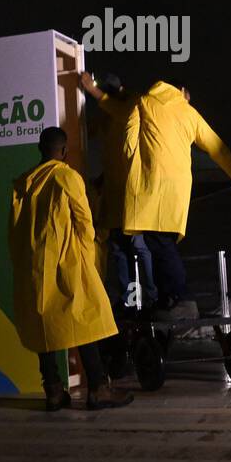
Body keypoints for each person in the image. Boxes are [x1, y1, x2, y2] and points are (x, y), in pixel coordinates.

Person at [8, 126, 133, 411]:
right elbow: (84, 221)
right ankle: (99, 389)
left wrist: (22, 264)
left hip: (34, 267)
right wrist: (89, 257)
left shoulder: (24, 183)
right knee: (85, 322)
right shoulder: (67, 176)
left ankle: (52, 390)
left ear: (40, 148)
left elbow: (14, 231)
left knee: (45, 326)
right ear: (64, 151)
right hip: (68, 261)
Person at [121, 78, 231, 313]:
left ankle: (182, 296)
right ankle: (169, 298)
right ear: (182, 91)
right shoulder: (189, 112)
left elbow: (127, 146)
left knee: (159, 242)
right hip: (178, 188)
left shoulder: (143, 103)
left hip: (150, 185)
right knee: (161, 242)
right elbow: (218, 149)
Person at [79, 70, 157, 312]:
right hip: (114, 195)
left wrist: (91, 90)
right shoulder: (107, 117)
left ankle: (153, 296)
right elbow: (87, 132)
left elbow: (116, 109)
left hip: (133, 194)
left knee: (139, 246)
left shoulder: (132, 106)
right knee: (118, 249)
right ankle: (127, 300)